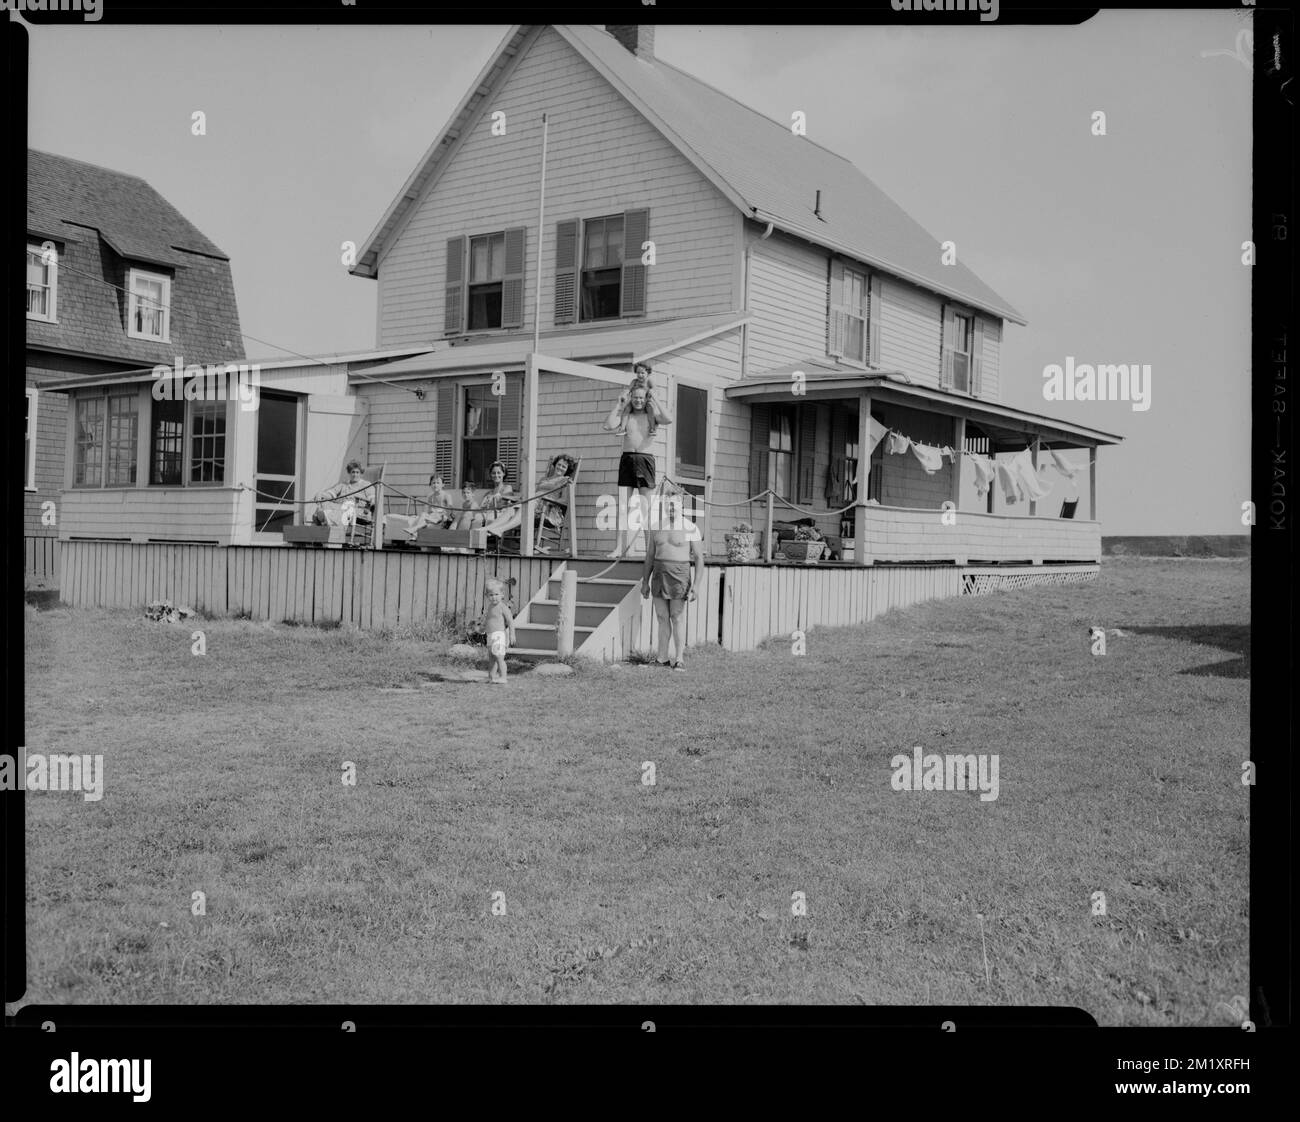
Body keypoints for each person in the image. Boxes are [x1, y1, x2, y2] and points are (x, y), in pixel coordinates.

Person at [604, 363, 670, 558]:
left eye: (641, 398)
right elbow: (608, 425)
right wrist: (619, 403)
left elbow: (669, 419)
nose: (638, 401)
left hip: (645, 460)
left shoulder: (652, 416)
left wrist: (655, 398)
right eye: (635, 398)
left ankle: (651, 549)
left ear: (645, 398)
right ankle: (618, 547)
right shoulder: (627, 415)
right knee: (623, 507)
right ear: (631, 398)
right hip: (627, 460)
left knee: (646, 508)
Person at [640, 491, 704, 671]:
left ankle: (679, 658)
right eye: (667, 504)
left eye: (674, 504)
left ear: (681, 506)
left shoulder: (691, 527)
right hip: (659, 574)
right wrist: (645, 582)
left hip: (679, 575)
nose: (671, 508)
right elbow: (650, 556)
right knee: (661, 617)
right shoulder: (655, 526)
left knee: (676, 616)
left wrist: (697, 586)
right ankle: (661, 658)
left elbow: (699, 558)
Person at [481, 453, 577, 553]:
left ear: (567, 469)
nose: (560, 468)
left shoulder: (565, 480)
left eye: (564, 466)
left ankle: (500, 530)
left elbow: (564, 500)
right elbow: (533, 493)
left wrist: (547, 500)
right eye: (559, 464)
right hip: (534, 503)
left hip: (548, 508)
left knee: (525, 506)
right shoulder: (544, 479)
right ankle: (488, 528)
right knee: (512, 509)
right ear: (555, 465)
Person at [312, 461, 375, 526]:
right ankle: (324, 516)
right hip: (342, 506)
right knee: (325, 504)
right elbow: (331, 493)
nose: (355, 475)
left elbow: (372, 497)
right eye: (353, 472)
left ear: (360, 473)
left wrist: (371, 503)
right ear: (349, 473)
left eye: (357, 472)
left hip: (358, 510)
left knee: (345, 511)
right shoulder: (343, 484)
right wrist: (321, 494)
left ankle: (324, 517)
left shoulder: (366, 484)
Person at [479, 580, 516, 685]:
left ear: (502, 595)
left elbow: (510, 621)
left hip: (499, 635)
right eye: (491, 595)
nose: (494, 597)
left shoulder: (502, 607)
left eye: (496, 594)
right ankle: (491, 677)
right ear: (487, 596)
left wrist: (512, 634)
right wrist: (483, 628)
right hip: (490, 635)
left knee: (499, 657)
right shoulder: (490, 607)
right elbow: (489, 620)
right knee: (491, 657)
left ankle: (503, 677)